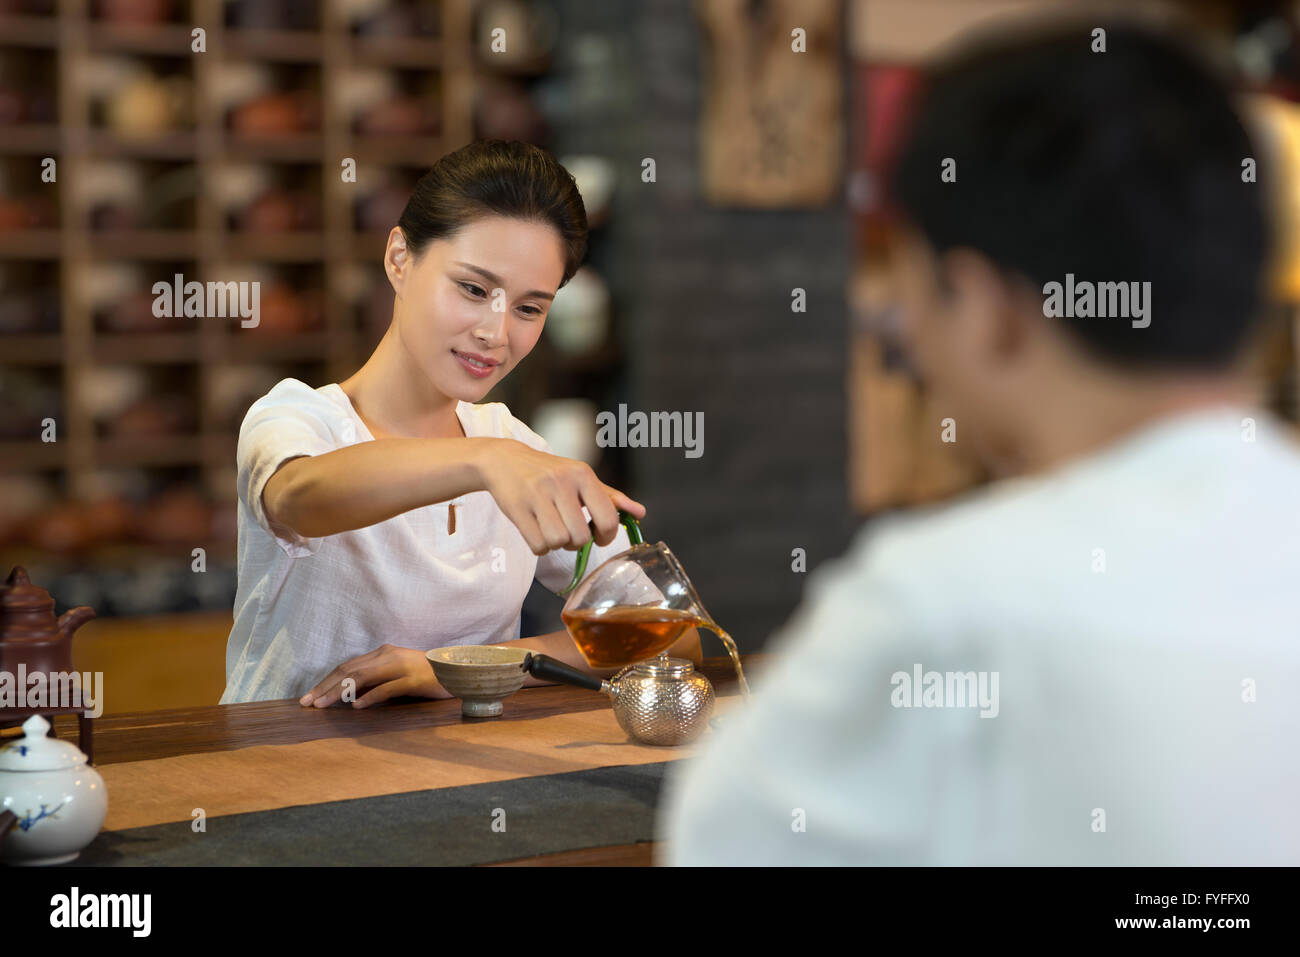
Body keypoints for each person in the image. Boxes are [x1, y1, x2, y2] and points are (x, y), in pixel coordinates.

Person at [658, 20, 1300, 865]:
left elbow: (718, 843)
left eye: (912, 284)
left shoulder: (944, 602)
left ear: (984, 304)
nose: (906, 334)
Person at [221, 140, 700, 707]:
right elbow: (299, 498)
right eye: (474, 289)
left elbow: (672, 634)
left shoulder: (514, 448)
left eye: (528, 308)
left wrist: (465, 667)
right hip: (279, 773)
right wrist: (483, 461)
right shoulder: (297, 417)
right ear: (400, 258)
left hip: (462, 781)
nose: (496, 334)